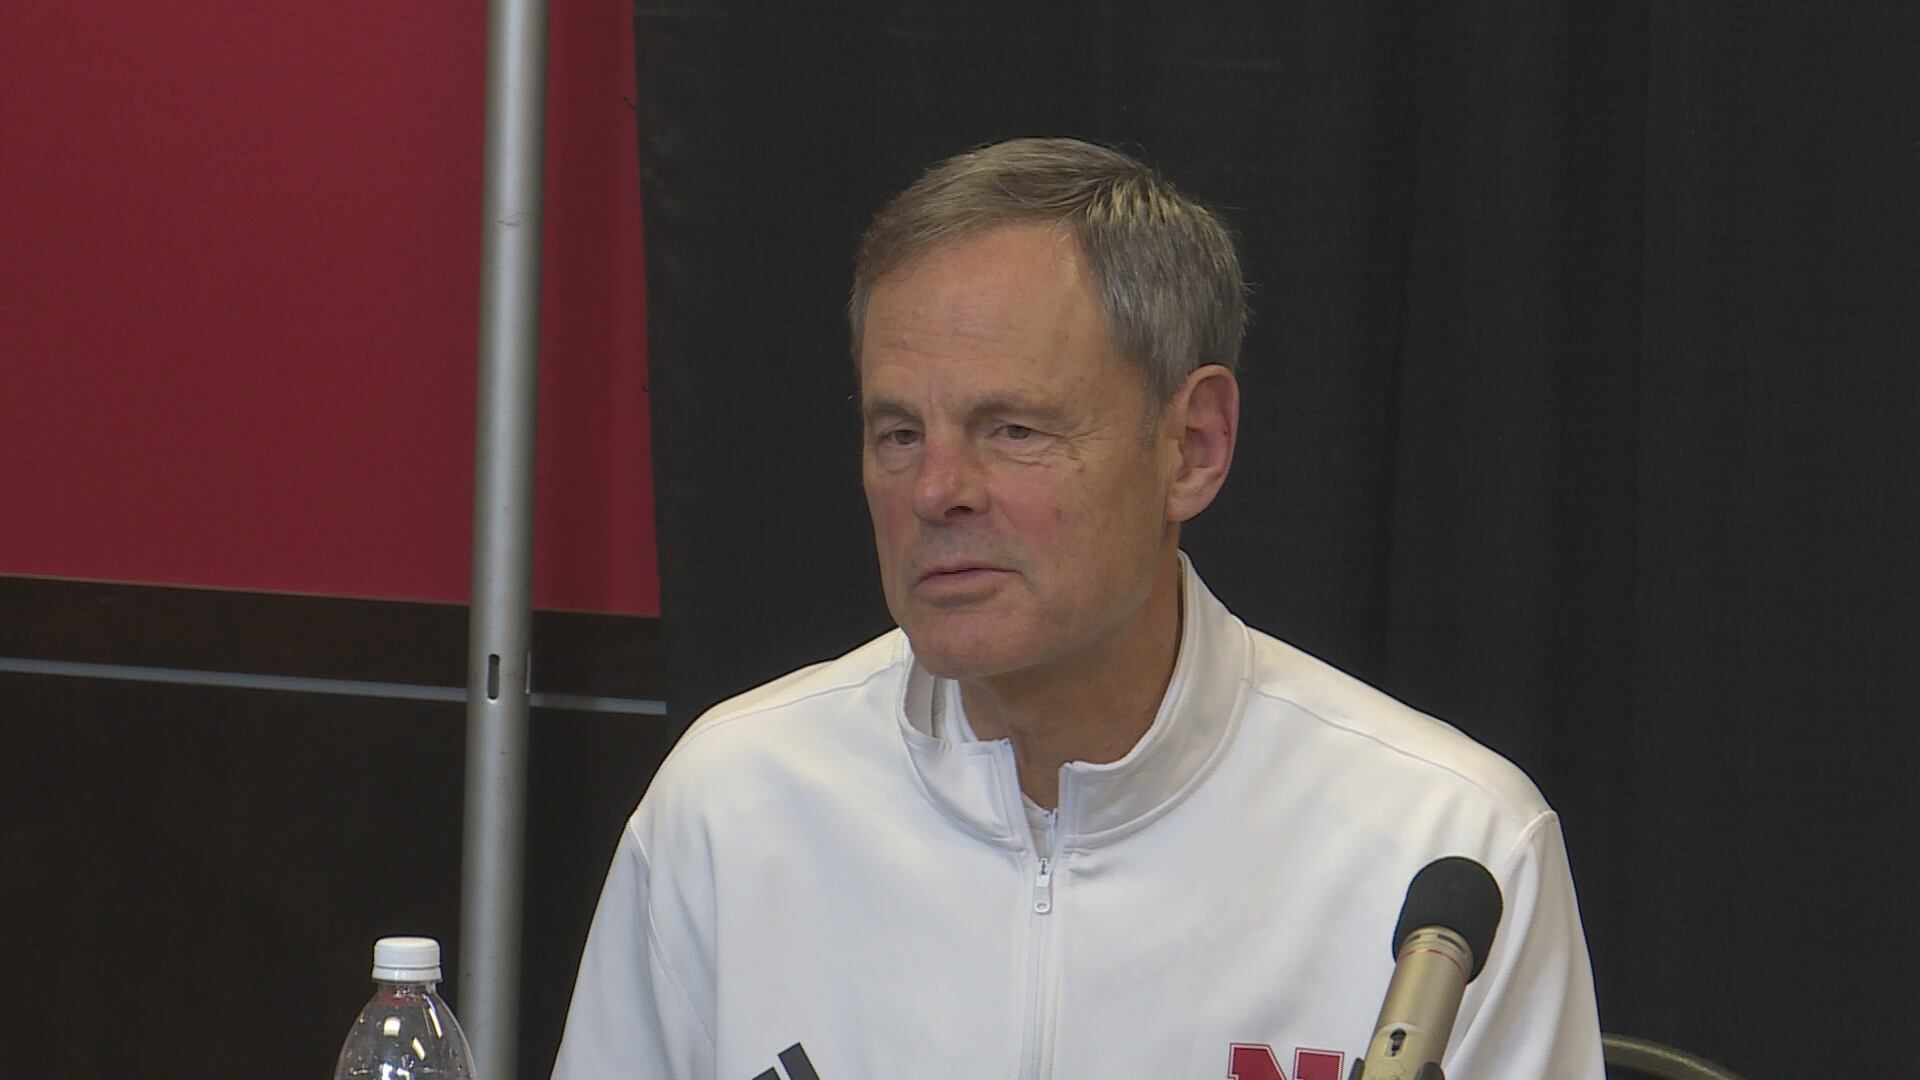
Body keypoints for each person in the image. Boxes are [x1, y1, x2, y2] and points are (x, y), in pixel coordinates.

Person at [552, 137, 1604, 1080]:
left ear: (1192, 446)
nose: (936, 491)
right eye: (898, 433)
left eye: (1013, 429)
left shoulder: (1448, 844)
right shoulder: (730, 808)